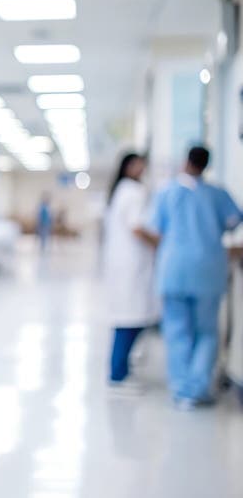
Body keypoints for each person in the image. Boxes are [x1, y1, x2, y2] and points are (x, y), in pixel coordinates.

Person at [145, 146, 243, 409]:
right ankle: (198, 388)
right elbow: (235, 220)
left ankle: (182, 390)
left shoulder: (166, 193)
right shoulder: (217, 195)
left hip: (174, 270)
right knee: (207, 332)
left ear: (185, 161)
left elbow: (154, 228)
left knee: (177, 331)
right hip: (208, 271)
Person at [103, 152, 158, 394]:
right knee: (130, 317)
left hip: (126, 264)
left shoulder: (122, 190)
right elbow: (137, 228)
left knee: (129, 316)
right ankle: (117, 373)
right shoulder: (134, 192)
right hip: (131, 265)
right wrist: (161, 242)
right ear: (127, 166)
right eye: (138, 165)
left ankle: (121, 368)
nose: (142, 169)